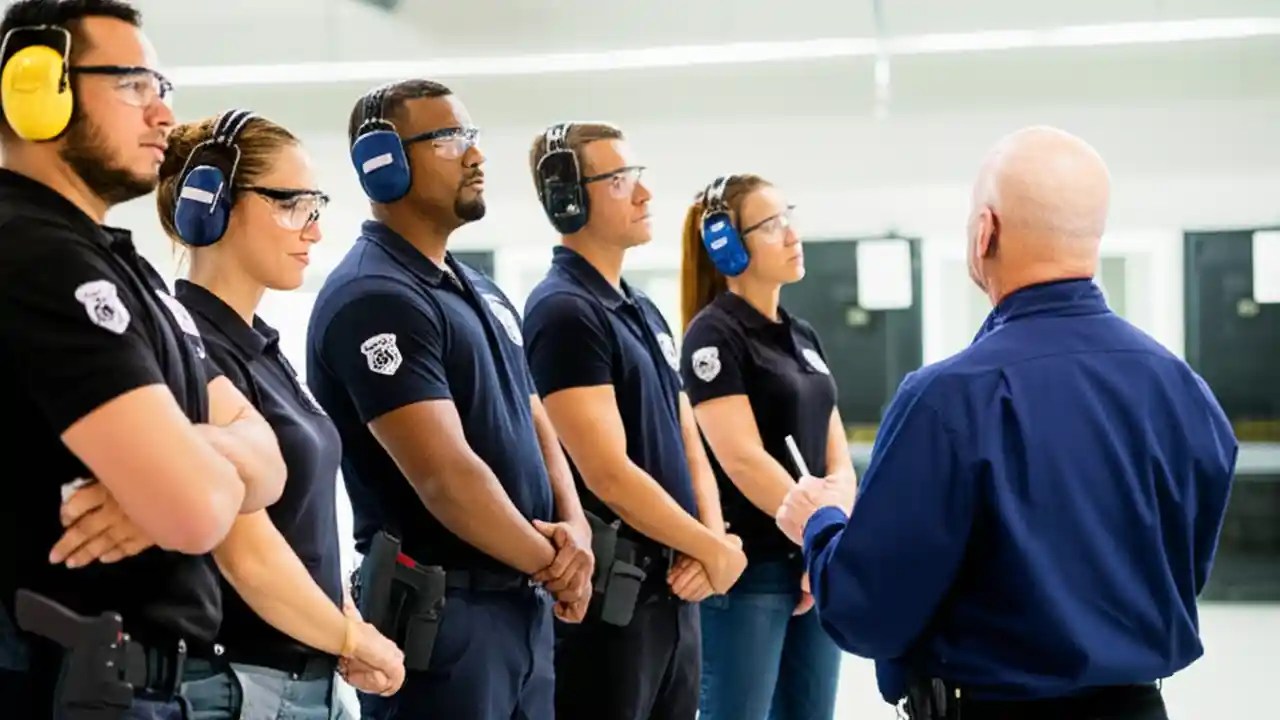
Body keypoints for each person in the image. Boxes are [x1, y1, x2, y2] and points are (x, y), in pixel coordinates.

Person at [776, 125, 1238, 720]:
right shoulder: (1182, 390)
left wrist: (821, 525)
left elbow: (869, 613)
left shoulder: (949, 400)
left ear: (984, 232)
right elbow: (1179, 568)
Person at [0, 1, 288, 718]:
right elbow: (196, 512)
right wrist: (186, 483)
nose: (163, 115)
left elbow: (271, 462)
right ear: (34, 88)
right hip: (72, 685)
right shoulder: (35, 255)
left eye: (163, 89)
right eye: (133, 84)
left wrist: (178, 460)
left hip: (142, 684)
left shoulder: (129, 270)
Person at [306, 80, 593, 720]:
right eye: (449, 139)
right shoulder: (373, 295)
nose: (476, 156)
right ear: (384, 162)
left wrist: (575, 528)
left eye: (474, 137)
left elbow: (533, 413)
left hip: (520, 605)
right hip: (444, 618)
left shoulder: (477, 289)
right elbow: (446, 477)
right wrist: (554, 562)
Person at [140, 109, 404, 718]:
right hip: (239, 684)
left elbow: (304, 524)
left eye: (317, 207)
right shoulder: (185, 347)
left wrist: (340, 623)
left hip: (302, 675)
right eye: (292, 204)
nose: (312, 229)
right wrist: (351, 638)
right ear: (212, 202)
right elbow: (247, 552)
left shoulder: (261, 349)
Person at [522, 122, 747, 720]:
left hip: (673, 591)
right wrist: (709, 548)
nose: (644, 194)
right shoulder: (563, 310)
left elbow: (684, 432)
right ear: (568, 198)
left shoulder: (639, 307)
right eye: (620, 180)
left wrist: (712, 543)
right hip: (612, 608)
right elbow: (606, 472)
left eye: (637, 177)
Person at [678, 173, 850, 720]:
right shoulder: (714, 337)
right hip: (751, 573)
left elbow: (838, 458)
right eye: (771, 224)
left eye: (788, 217)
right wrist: (816, 528)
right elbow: (744, 460)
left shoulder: (802, 336)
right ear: (727, 245)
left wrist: (826, 538)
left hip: (813, 558)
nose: (791, 234)